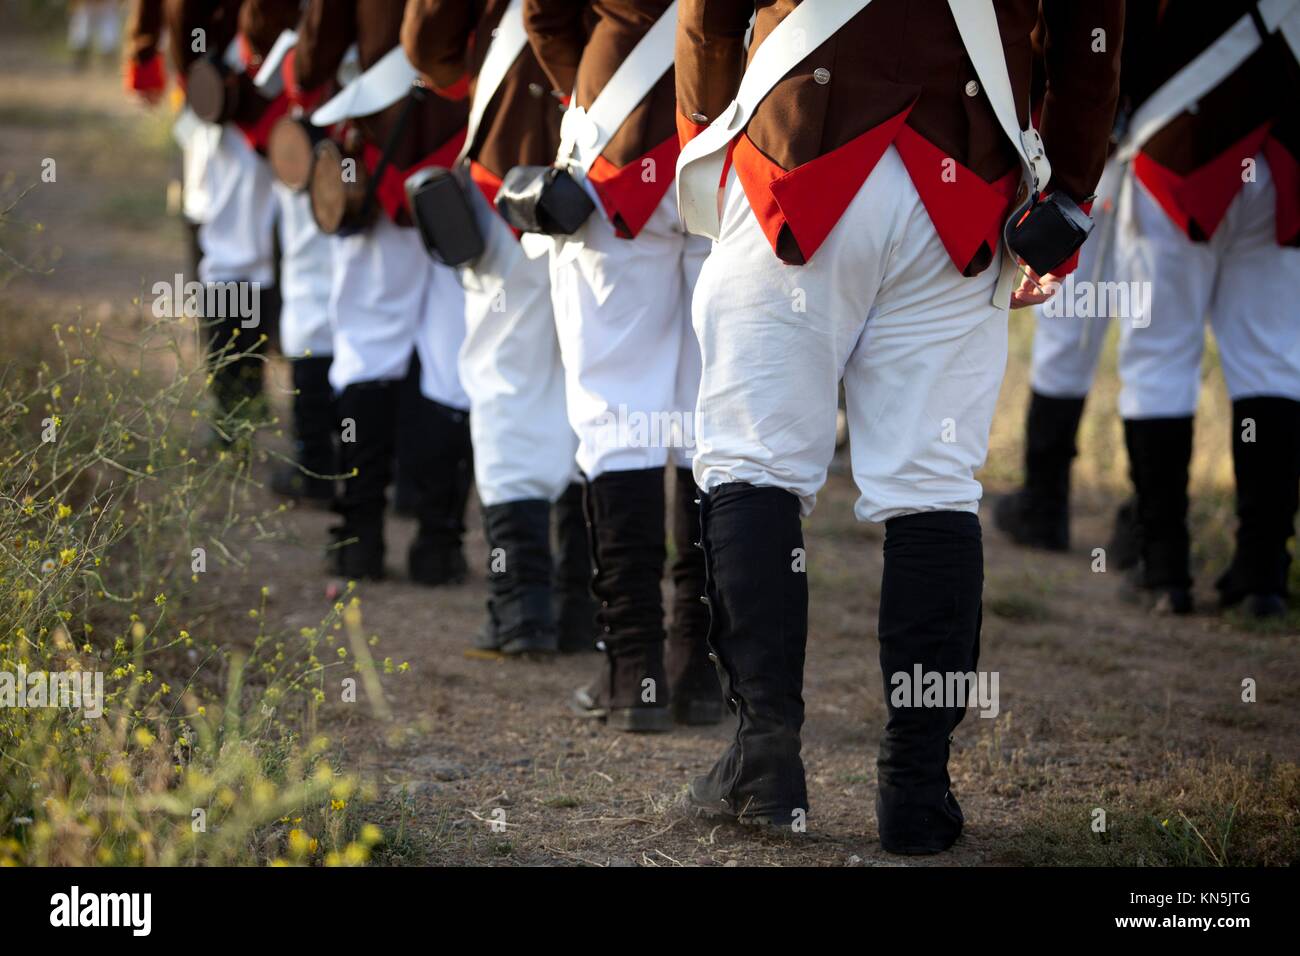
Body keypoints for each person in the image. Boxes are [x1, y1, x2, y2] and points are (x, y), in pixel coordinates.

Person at [675, 0, 1121, 850]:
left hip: (798, 151)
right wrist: (1063, 196)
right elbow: (1089, 31)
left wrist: (704, 126)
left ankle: (765, 759)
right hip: (962, 174)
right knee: (932, 485)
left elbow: (708, 11)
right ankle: (916, 790)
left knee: (756, 462)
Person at [521, 0, 721, 729]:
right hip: (733, 149)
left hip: (621, 146)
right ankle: (698, 665)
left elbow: (544, 13)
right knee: (715, 418)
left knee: (617, 413)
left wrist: (600, 93)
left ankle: (632, 668)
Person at [401, 0, 597, 655]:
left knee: (508, 380)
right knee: (599, 382)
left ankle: (523, 609)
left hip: (516, 167)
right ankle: (582, 606)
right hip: (620, 173)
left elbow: (428, 42)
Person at [1108, 0, 1300, 617]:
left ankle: (1165, 568)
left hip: (1178, 148)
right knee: (1271, 363)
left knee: (1158, 357)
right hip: (1285, 159)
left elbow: (1117, 30)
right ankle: (1263, 573)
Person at [295, 0, 474, 585]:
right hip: (468, 168)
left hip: (382, 159)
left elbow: (314, 56)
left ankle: (358, 535)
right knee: (454, 362)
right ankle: (438, 542)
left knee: (368, 349)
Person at [241, 0, 340, 505]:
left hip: (317, 113)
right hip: (390, 122)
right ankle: (371, 468)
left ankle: (316, 463)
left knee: (309, 283)